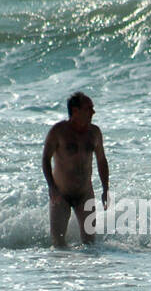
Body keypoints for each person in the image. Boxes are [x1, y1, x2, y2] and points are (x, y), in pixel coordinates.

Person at [42, 92, 109, 248]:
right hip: (61, 194)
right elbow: (45, 159)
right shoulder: (58, 131)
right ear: (75, 110)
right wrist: (52, 187)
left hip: (85, 194)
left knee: (90, 244)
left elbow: (101, 160)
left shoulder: (94, 132)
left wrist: (106, 188)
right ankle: (63, 272)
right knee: (58, 244)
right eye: (89, 108)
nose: (93, 112)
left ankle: (87, 272)